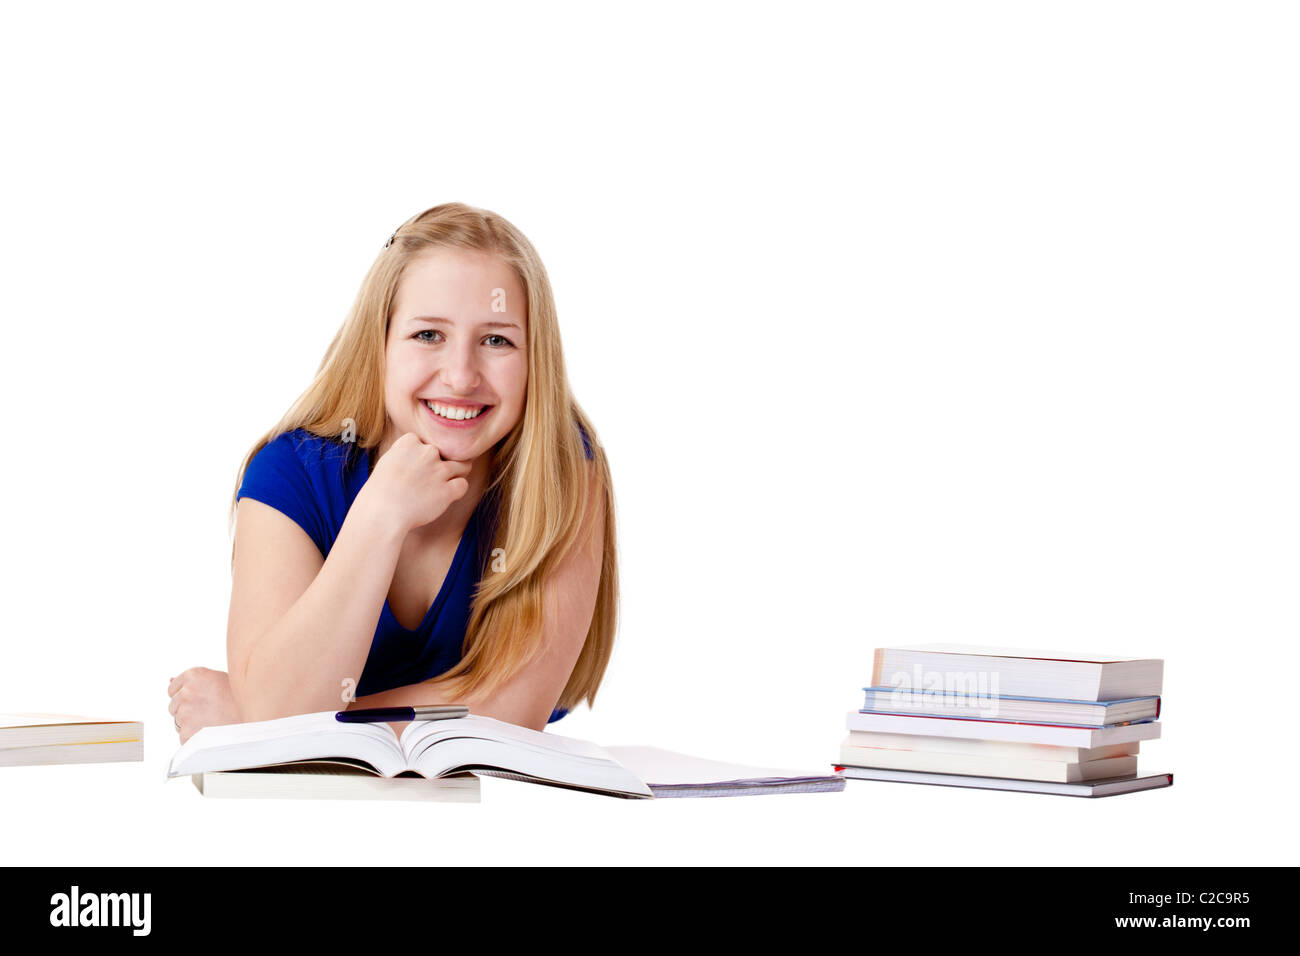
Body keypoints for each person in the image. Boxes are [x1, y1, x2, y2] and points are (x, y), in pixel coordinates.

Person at [167, 203, 617, 742]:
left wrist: (254, 719)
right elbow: (281, 714)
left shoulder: (564, 467)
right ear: (378, 344)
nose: (460, 375)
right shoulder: (289, 474)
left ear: (535, 357)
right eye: (428, 335)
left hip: (500, 806)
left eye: (497, 340)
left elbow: (511, 712)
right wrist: (379, 518)